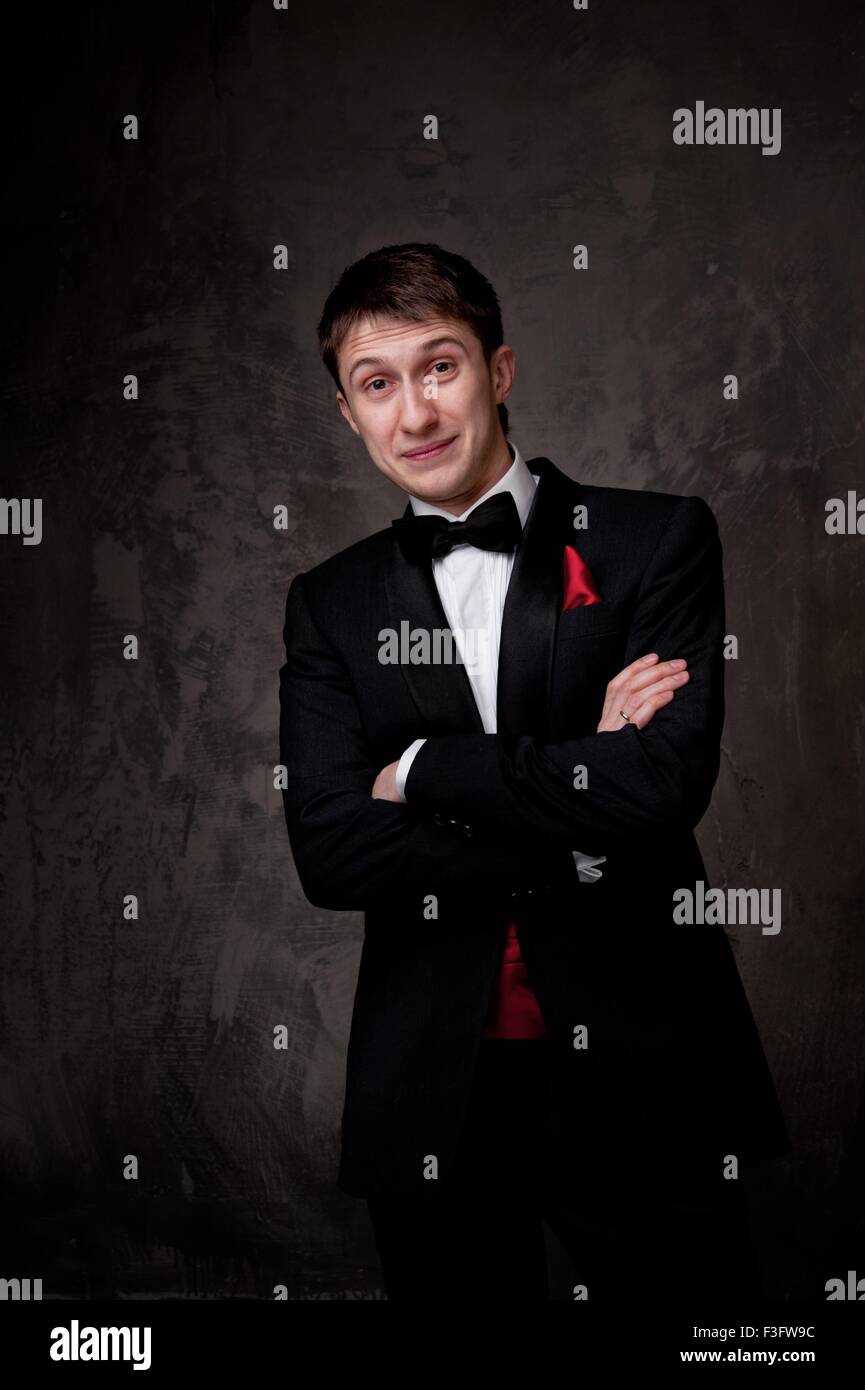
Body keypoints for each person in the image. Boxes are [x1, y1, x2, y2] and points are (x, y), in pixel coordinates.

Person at [279, 241, 791, 1301]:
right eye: (377, 384)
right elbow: (329, 850)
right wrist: (578, 775)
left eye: (440, 367)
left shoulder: (654, 541)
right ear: (347, 411)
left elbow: (657, 790)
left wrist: (420, 771)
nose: (414, 413)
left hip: (646, 1060)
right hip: (433, 1083)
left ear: (498, 371)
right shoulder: (328, 602)